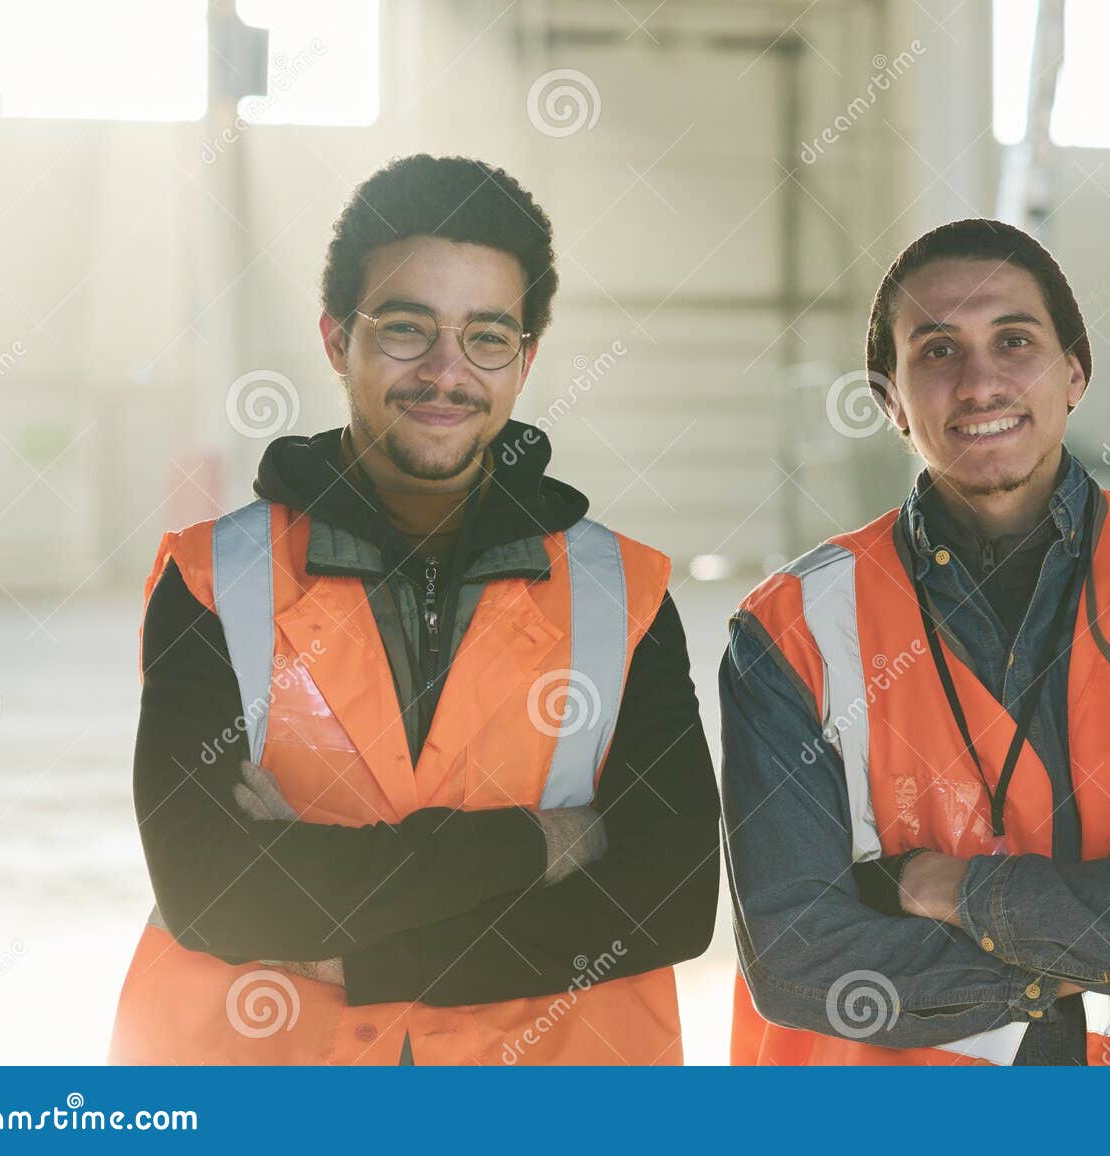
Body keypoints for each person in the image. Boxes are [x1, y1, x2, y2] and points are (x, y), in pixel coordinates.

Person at [110, 154, 718, 1065]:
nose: (445, 371)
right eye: (405, 328)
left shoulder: (620, 594)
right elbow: (217, 891)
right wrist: (548, 842)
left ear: (525, 360)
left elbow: (670, 897)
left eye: (486, 336)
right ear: (335, 340)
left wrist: (353, 940)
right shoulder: (215, 579)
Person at [720, 217, 1110, 1066]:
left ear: (1075, 373)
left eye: (1015, 340)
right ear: (889, 401)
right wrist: (1074, 966)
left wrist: (945, 888)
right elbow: (797, 956)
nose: (981, 382)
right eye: (937, 351)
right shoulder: (790, 631)